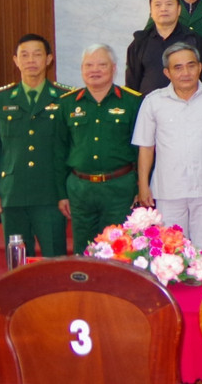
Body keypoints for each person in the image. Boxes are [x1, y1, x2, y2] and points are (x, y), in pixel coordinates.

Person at [133, 42, 202, 259]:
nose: (185, 73)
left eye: (191, 66)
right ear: (167, 72)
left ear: (200, 67)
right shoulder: (153, 102)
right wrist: (143, 186)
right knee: (171, 253)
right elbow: (146, 147)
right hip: (168, 190)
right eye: (178, 68)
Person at [0, 34, 71, 256]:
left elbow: (70, 147)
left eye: (37, 54)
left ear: (48, 59)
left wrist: (67, 191)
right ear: (16, 60)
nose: (30, 60)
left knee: (54, 257)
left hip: (51, 194)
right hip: (13, 194)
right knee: (16, 263)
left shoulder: (65, 98)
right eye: (24, 55)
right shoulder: (0, 99)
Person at [57, 44, 142, 251]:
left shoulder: (132, 102)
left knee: (119, 249)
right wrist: (62, 193)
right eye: (89, 65)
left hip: (119, 188)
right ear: (82, 69)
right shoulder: (67, 104)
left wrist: (141, 186)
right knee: (83, 249)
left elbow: (142, 149)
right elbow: (59, 150)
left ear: (114, 68)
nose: (94, 70)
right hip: (80, 188)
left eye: (101, 65)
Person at [127, 0, 202, 92]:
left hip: (187, 105)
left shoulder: (193, 39)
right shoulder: (140, 41)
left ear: (179, 10)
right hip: (149, 106)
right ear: (151, 12)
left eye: (169, 4)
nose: (163, 9)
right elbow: (132, 84)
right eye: (158, 5)